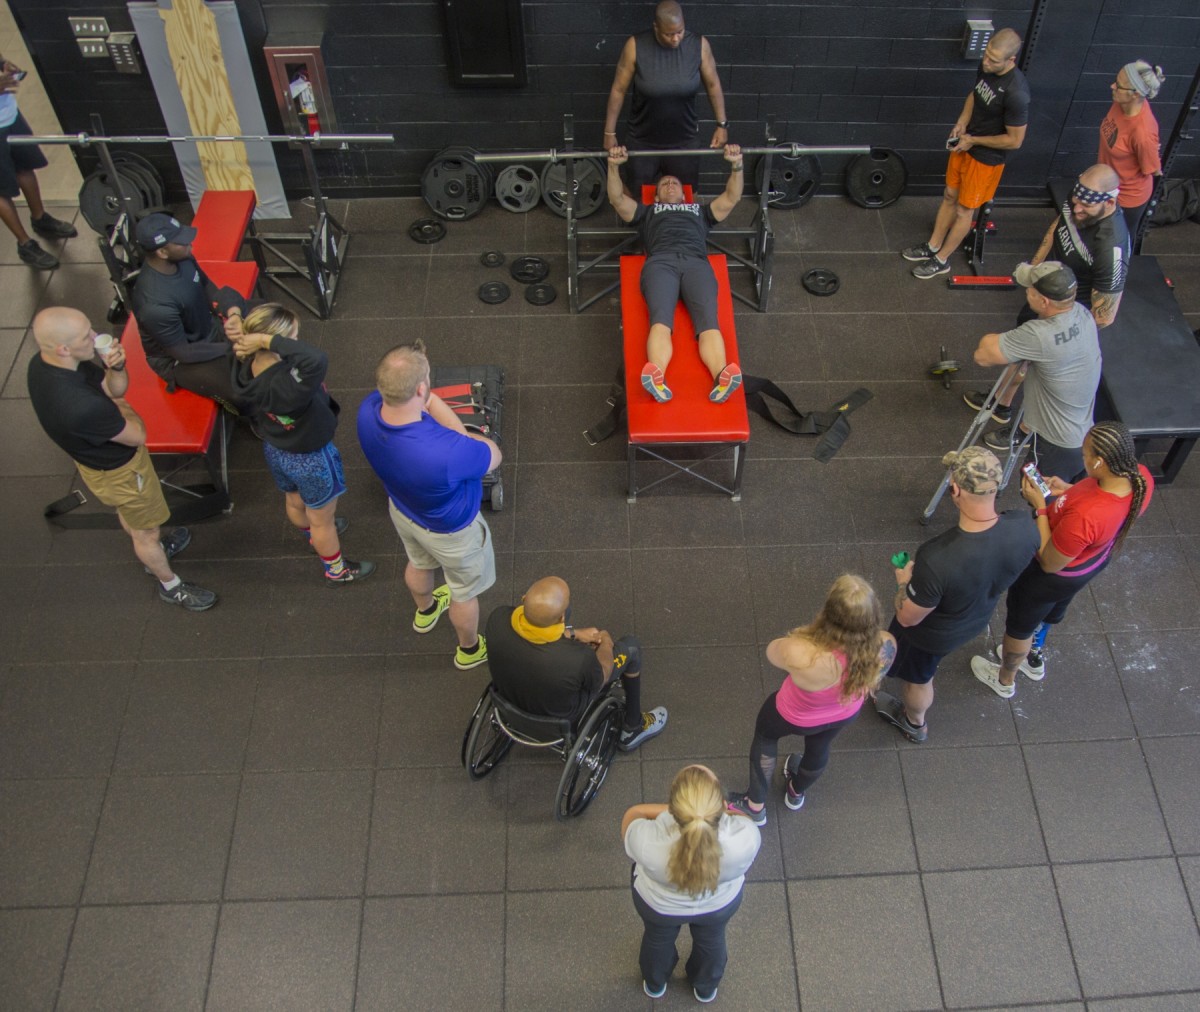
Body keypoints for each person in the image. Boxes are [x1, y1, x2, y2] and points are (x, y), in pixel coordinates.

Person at [26, 307, 217, 611]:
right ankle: (170, 584)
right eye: (85, 336)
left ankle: (154, 547)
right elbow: (137, 434)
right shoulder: (81, 406)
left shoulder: (43, 364)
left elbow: (112, 388)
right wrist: (120, 404)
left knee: (130, 514)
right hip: (123, 472)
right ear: (63, 348)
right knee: (146, 531)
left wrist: (116, 368)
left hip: (98, 466)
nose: (95, 337)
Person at [971, 421, 1153, 698]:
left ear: (1100, 462)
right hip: (1086, 566)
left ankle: (1005, 679)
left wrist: (1040, 507)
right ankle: (1034, 654)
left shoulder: (1088, 517)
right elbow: (1096, 500)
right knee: (1048, 612)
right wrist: (1068, 491)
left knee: (1019, 627)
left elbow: (1049, 561)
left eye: (1085, 455)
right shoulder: (1140, 477)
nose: (1083, 458)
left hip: (1051, 577)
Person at [875, 446, 1037, 743]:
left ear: (955, 489)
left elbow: (908, 617)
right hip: (976, 619)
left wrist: (903, 582)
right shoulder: (1024, 526)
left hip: (931, 635)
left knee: (918, 678)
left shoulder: (937, 558)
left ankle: (914, 722)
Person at [357, 340, 500, 669]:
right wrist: (434, 402)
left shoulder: (367, 411)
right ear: (421, 388)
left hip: (404, 512)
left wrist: (425, 396)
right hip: (453, 532)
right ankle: (469, 650)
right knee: (463, 593)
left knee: (419, 563)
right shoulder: (446, 452)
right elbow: (492, 454)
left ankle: (426, 611)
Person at [726, 575, 896, 825]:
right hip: (843, 714)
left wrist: (808, 637)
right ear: (873, 615)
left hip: (792, 714)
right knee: (820, 746)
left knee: (765, 737)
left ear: (829, 613)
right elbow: (874, 677)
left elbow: (772, 651)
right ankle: (796, 792)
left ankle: (755, 806)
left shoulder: (804, 653)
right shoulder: (887, 644)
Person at [230, 303, 374, 585]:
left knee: (295, 501)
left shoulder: (246, 367)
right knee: (323, 520)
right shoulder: (289, 384)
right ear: (270, 341)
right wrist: (267, 339)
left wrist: (250, 330)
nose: (295, 343)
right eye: (291, 338)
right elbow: (317, 359)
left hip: (277, 449)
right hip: (312, 459)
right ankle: (337, 570)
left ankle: (312, 535)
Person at [607, 142, 744, 404]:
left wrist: (737, 165)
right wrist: (613, 167)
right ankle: (656, 377)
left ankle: (721, 378)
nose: (670, 185)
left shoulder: (701, 212)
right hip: (661, 263)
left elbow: (732, 197)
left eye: (675, 183)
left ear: (684, 195)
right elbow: (617, 199)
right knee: (660, 319)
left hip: (696, 264)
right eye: (664, 184)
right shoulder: (648, 212)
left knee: (708, 321)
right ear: (657, 197)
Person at [622, 764, 762, 1003]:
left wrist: (677, 812)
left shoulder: (647, 840)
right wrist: (721, 810)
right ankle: (705, 988)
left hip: (658, 906)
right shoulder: (745, 837)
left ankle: (655, 984)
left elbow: (633, 815)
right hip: (719, 904)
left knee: (657, 940)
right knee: (712, 941)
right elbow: (744, 818)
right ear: (719, 804)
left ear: (674, 807)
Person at [484, 576, 668, 750]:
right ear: (561, 619)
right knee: (632, 647)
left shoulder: (497, 619)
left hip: (510, 700)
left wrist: (574, 633)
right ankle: (633, 727)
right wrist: (606, 642)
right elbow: (603, 674)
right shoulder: (578, 659)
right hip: (560, 716)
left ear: (524, 599)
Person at [902, 28, 1028, 279]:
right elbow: (975, 94)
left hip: (986, 160)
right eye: (986, 55)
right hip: (965, 144)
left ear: (1011, 60)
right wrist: (962, 122)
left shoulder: (1017, 94)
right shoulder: (987, 69)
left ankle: (942, 260)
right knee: (949, 195)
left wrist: (974, 140)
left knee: (963, 210)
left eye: (994, 60)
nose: (986, 62)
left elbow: (1015, 141)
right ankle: (933, 245)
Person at [968, 261, 1101, 482]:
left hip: (1056, 442)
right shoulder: (1081, 313)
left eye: (1030, 289)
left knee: (1035, 489)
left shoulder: (1039, 335)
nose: (1026, 291)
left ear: (1044, 301)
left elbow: (982, 356)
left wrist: (1004, 340)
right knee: (1062, 489)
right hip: (1082, 434)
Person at [603, 1, 728, 193]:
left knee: (685, 198)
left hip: (684, 140)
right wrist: (609, 133)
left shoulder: (699, 45)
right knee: (639, 198)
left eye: (680, 31)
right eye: (669, 34)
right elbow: (618, 90)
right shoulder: (635, 46)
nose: (676, 38)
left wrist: (722, 125)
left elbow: (713, 85)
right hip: (642, 140)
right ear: (656, 27)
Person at [130, 212, 250, 411]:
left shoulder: (183, 258)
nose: (190, 244)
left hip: (208, 327)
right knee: (241, 392)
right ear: (162, 252)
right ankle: (253, 418)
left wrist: (233, 313)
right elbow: (183, 352)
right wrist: (234, 347)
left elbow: (207, 286)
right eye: (181, 242)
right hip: (181, 358)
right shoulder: (154, 305)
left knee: (269, 316)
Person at [1028, 164, 1130, 329]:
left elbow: (1103, 318)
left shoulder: (1110, 250)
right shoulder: (1080, 198)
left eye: (1086, 206)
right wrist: (1033, 269)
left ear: (1109, 202)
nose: (1076, 210)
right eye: (1076, 202)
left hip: (1066, 317)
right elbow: (1059, 226)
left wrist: (1061, 333)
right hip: (1045, 288)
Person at [0, 57, 76, 269]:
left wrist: (4, 65)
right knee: (1, 190)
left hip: (9, 115)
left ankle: (40, 218)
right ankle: (25, 244)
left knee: (25, 167)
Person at [1098, 61, 1165, 239]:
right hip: (1106, 185)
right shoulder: (1120, 103)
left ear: (1135, 94)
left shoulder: (1143, 132)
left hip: (1126, 198)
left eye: (1119, 85)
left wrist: (1150, 149)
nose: (1112, 86)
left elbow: (1153, 170)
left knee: (1117, 241)